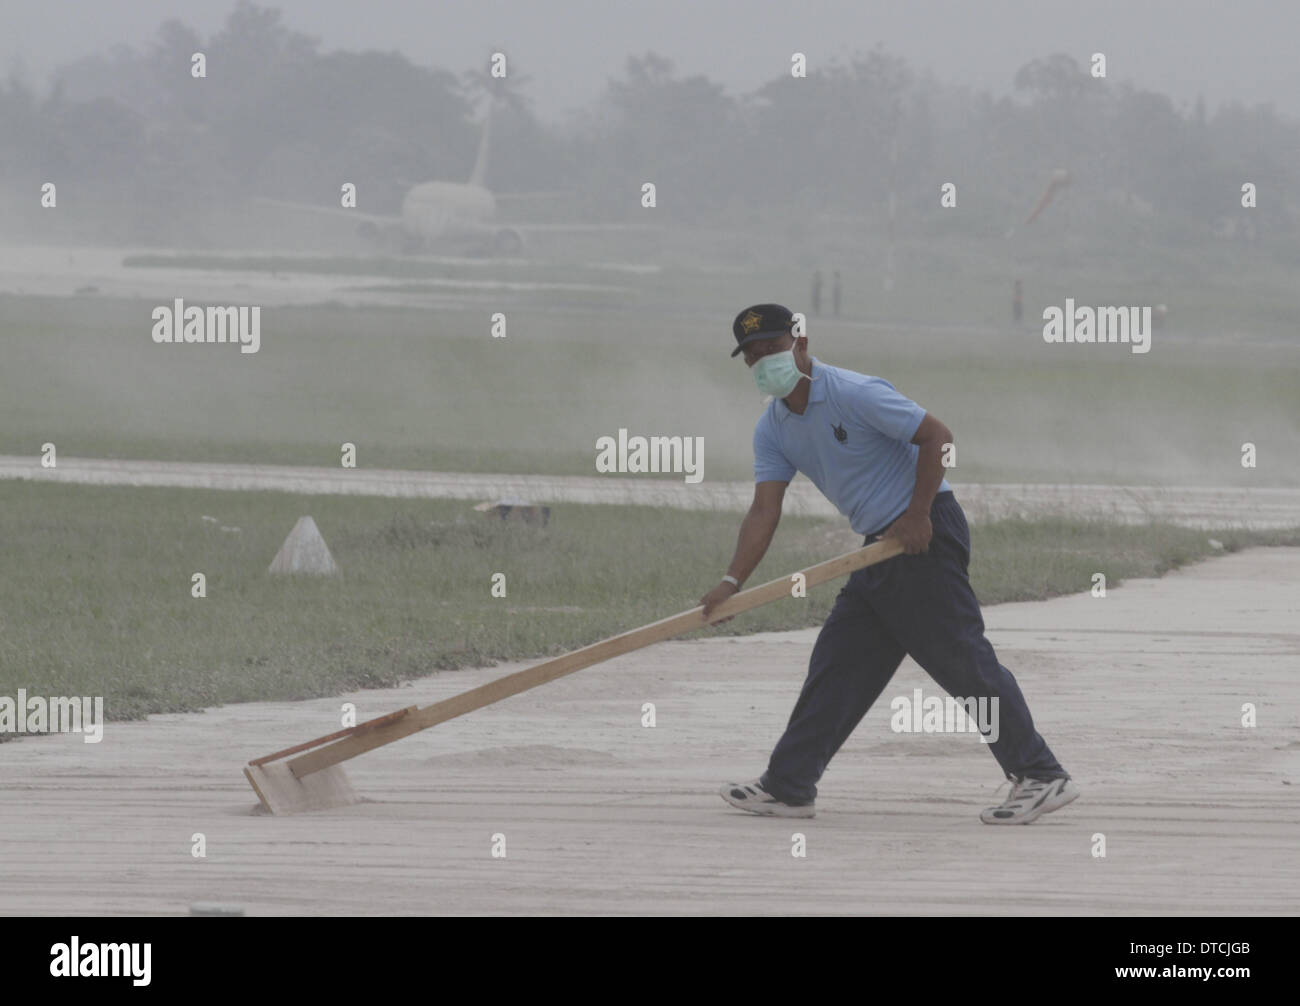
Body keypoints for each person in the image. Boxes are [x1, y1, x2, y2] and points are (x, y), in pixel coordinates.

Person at [701, 303, 1078, 824]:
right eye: (753, 355)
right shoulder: (774, 428)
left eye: (773, 347)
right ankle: (789, 786)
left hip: (923, 537)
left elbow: (937, 436)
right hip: (879, 547)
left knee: (963, 663)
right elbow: (765, 509)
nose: (765, 361)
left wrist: (918, 514)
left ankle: (1040, 773)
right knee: (839, 666)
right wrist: (730, 582)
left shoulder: (853, 392)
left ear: (800, 343)